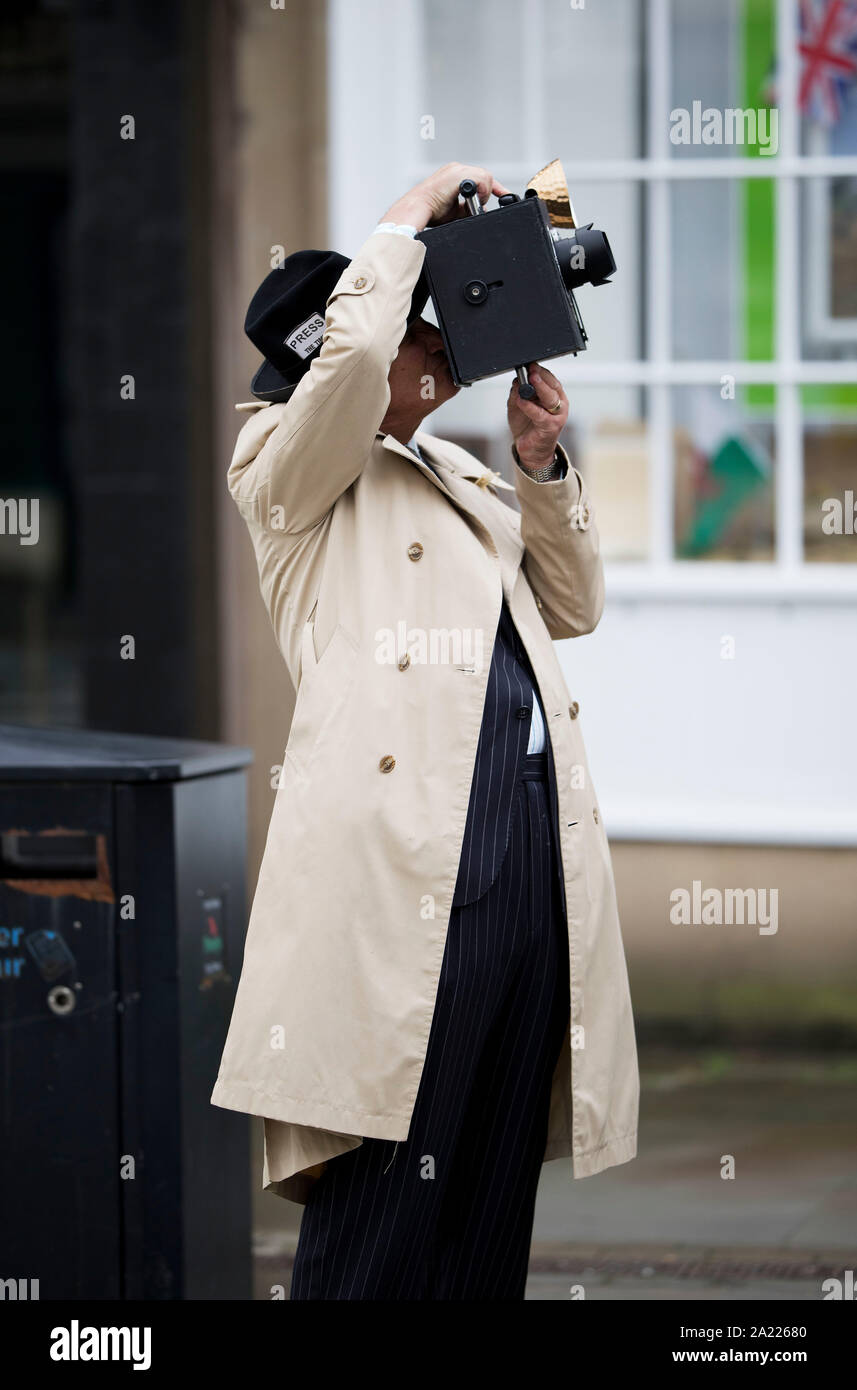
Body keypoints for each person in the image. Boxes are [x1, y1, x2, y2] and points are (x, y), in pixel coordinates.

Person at [211, 163, 639, 1301]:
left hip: (526, 869)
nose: (440, 340)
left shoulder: (452, 472)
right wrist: (406, 217)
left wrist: (538, 468)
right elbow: (347, 366)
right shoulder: (284, 472)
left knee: (484, 1215)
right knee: (383, 1219)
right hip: (413, 880)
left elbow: (572, 606)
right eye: (416, 323)